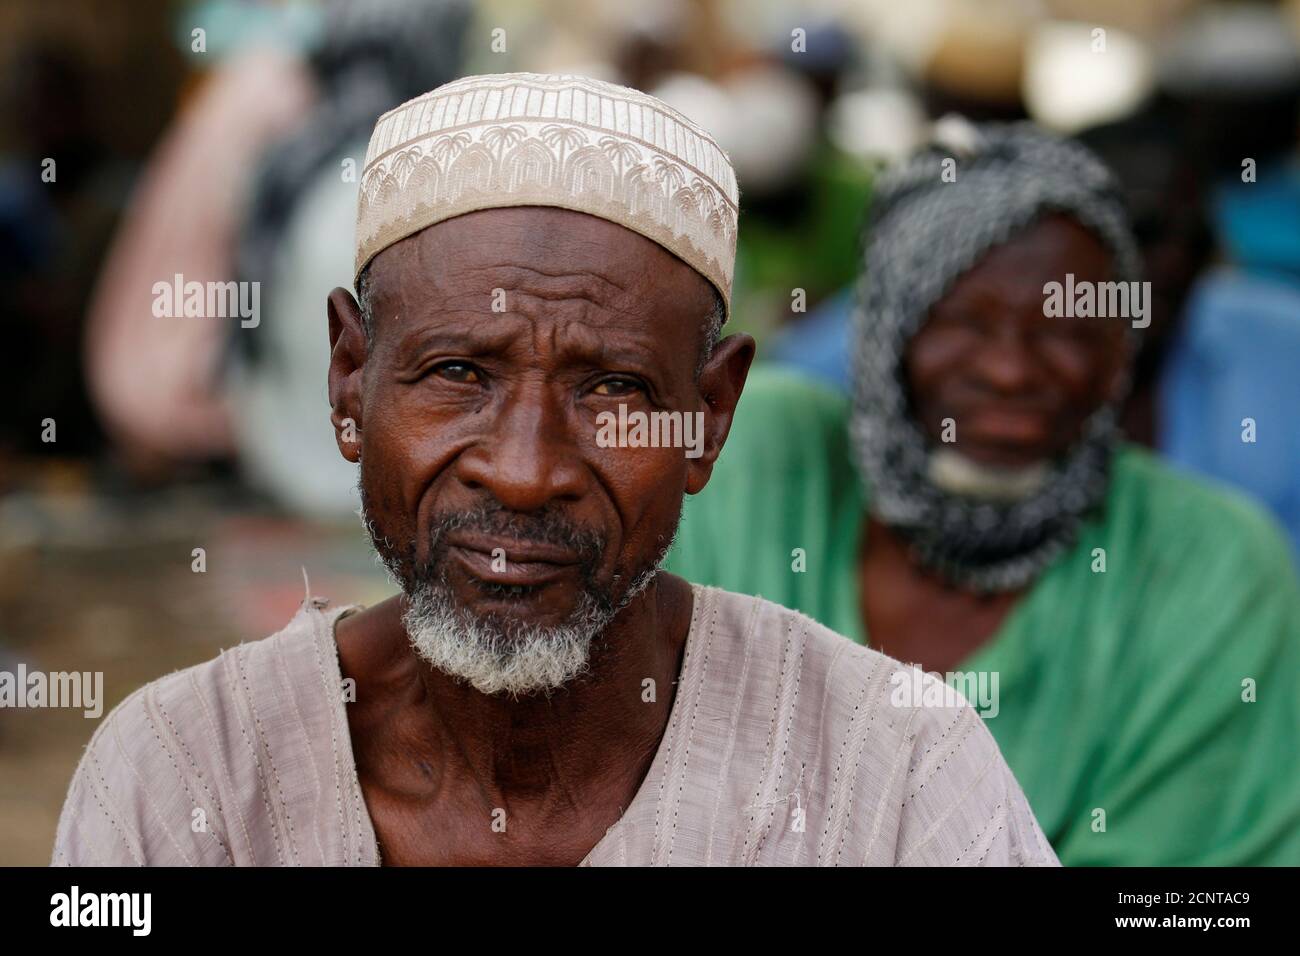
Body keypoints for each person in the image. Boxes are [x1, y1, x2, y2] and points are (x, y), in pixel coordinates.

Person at [51, 74, 1055, 867]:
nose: (526, 473)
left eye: (613, 389)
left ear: (706, 417)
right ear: (350, 378)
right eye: (457, 373)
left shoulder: (888, 775)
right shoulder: (182, 780)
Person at [665, 123, 1300, 866]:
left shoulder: (1212, 563)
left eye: (1066, 324)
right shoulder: (760, 462)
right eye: (963, 320)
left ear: (1120, 349)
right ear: (885, 331)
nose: (1009, 370)